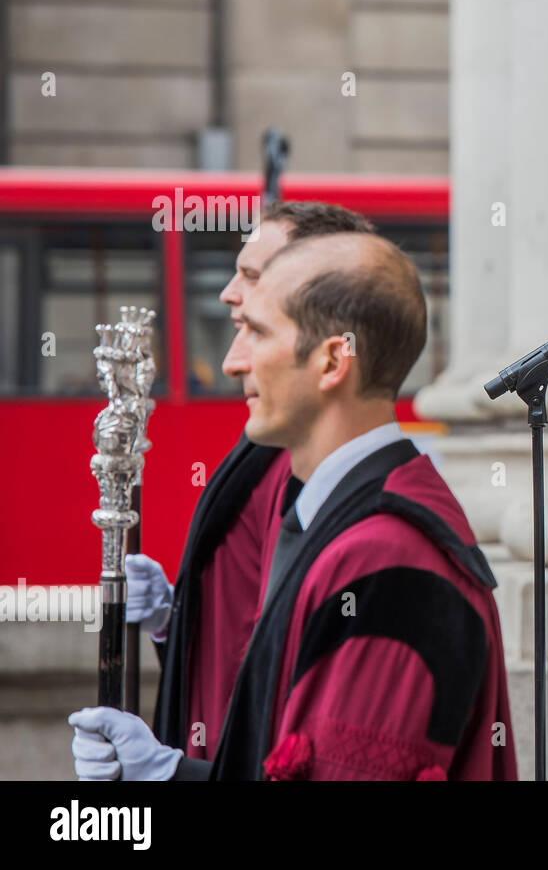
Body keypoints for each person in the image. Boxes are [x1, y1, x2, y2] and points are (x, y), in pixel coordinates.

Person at [71, 232, 516, 780]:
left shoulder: (386, 561)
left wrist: (168, 776)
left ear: (332, 361)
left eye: (257, 333)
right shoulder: (337, 519)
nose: (235, 363)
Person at [124, 201, 378, 764]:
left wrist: (182, 775)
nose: (228, 293)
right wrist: (175, 619)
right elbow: (242, 620)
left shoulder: (307, 461)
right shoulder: (276, 445)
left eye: (253, 275)